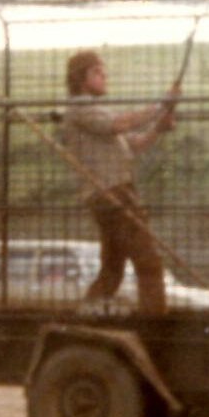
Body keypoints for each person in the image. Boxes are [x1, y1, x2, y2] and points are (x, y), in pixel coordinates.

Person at [62, 50, 180, 314]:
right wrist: (161, 105)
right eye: (97, 72)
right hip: (112, 195)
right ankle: (155, 328)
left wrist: (158, 128)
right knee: (149, 263)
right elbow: (120, 124)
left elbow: (134, 145)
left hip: (112, 194)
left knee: (113, 268)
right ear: (80, 78)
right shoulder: (79, 107)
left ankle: (86, 318)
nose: (105, 77)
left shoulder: (94, 110)